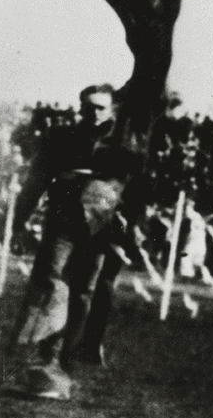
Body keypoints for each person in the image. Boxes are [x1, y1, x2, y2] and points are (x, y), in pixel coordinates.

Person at [7, 84, 136, 398]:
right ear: (80, 108)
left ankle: (65, 363)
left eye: (101, 107)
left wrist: (126, 229)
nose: (94, 113)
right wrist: (19, 221)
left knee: (83, 294)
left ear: (112, 110)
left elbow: (134, 187)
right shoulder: (61, 138)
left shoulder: (122, 143)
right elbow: (37, 180)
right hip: (63, 220)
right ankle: (47, 360)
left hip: (101, 226)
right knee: (54, 283)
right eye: (89, 107)